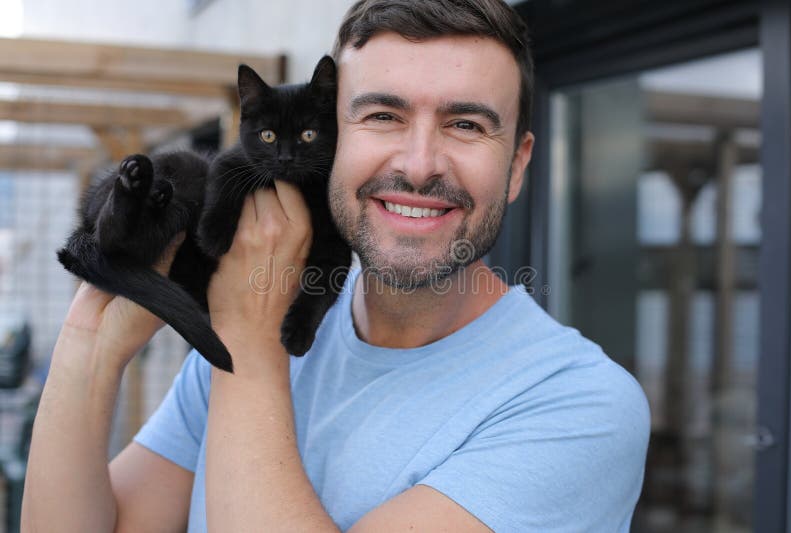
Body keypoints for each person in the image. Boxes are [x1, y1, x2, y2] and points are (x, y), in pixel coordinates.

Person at [21, 0, 651, 531]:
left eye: (465, 124)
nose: (421, 163)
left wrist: (246, 330)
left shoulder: (578, 407)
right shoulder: (258, 319)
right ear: (332, 136)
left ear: (516, 165)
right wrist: (91, 346)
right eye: (382, 116)